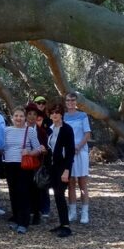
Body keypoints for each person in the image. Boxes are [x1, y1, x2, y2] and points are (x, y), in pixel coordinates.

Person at [2, 107, 43, 234]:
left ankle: (24, 222)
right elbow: (2, 145)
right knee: (13, 192)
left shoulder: (29, 131)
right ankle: (16, 218)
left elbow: (39, 148)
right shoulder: (6, 130)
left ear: (24, 118)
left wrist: (29, 152)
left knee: (23, 193)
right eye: (16, 116)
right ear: (12, 117)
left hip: (23, 166)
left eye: (21, 116)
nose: (18, 118)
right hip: (9, 165)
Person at [46, 102, 76, 238]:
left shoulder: (67, 129)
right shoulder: (50, 129)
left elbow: (70, 153)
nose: (54, 114)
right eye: (52, 112)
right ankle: (62, 223)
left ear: (61, 113)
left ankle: (66, 226)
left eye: (57, 112)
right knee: (57, 196)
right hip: (52, 167)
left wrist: (66, 170)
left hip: (62, 167)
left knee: (59, 194)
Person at [64, 92, 93, 224]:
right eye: (68, 100)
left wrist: (78, 147)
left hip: (80, 151)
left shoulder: (83, 116)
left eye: (73, 100)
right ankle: (73, 212)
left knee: (82, 183)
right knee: (70, 183)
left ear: (76, 102)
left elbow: (87, 134)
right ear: (65, 102)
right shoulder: (63, 116)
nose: (70, 102)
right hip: (68, 152)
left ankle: (85, 213)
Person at [25, 102, 51, 223]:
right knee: (25, 189)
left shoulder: (41, 132)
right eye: (29, 114)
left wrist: (43, 150)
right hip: (23, 164)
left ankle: (38, 213)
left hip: (37, 164)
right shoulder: (20, 129)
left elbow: (46, 148)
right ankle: (27, 211)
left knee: (39, 188)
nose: (31, 116)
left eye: (34, 114)